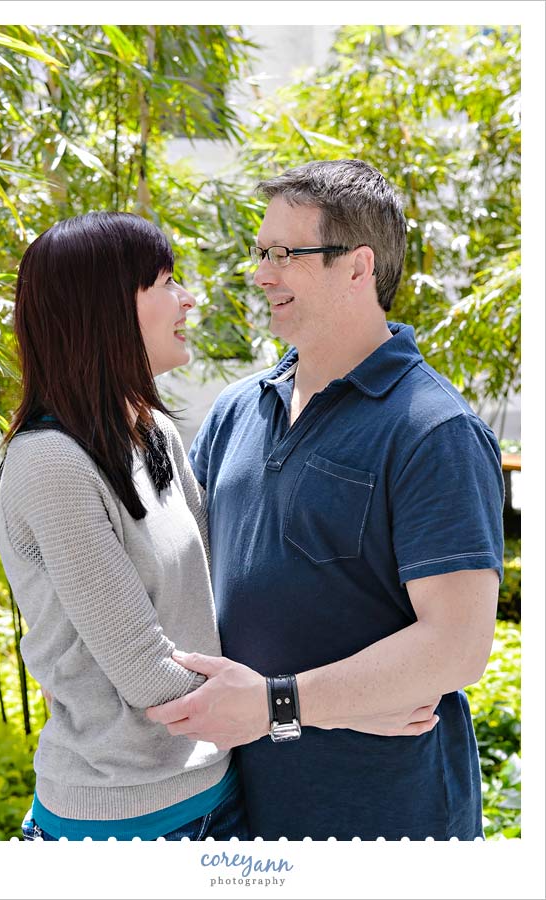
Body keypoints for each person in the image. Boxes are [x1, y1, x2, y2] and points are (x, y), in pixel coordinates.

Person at [146, 159, 505, 841]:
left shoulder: (434, 430)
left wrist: (281, 706)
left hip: (389, 826)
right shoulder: (234, 413)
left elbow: (458, 648)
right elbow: (174, 584)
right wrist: (323, 707)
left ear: (358, 267)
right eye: (260, 253)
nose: (261, 275)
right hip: (238, 817)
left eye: (284, 254)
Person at [0, 211, 248, 841]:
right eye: (164, 281)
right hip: (121, 822)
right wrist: (291, 706)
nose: (187, 297)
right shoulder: (51, 462)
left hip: (218, 789)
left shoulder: (152, 431)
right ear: (104, 309)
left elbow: (217, 600)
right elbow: (147, 676)